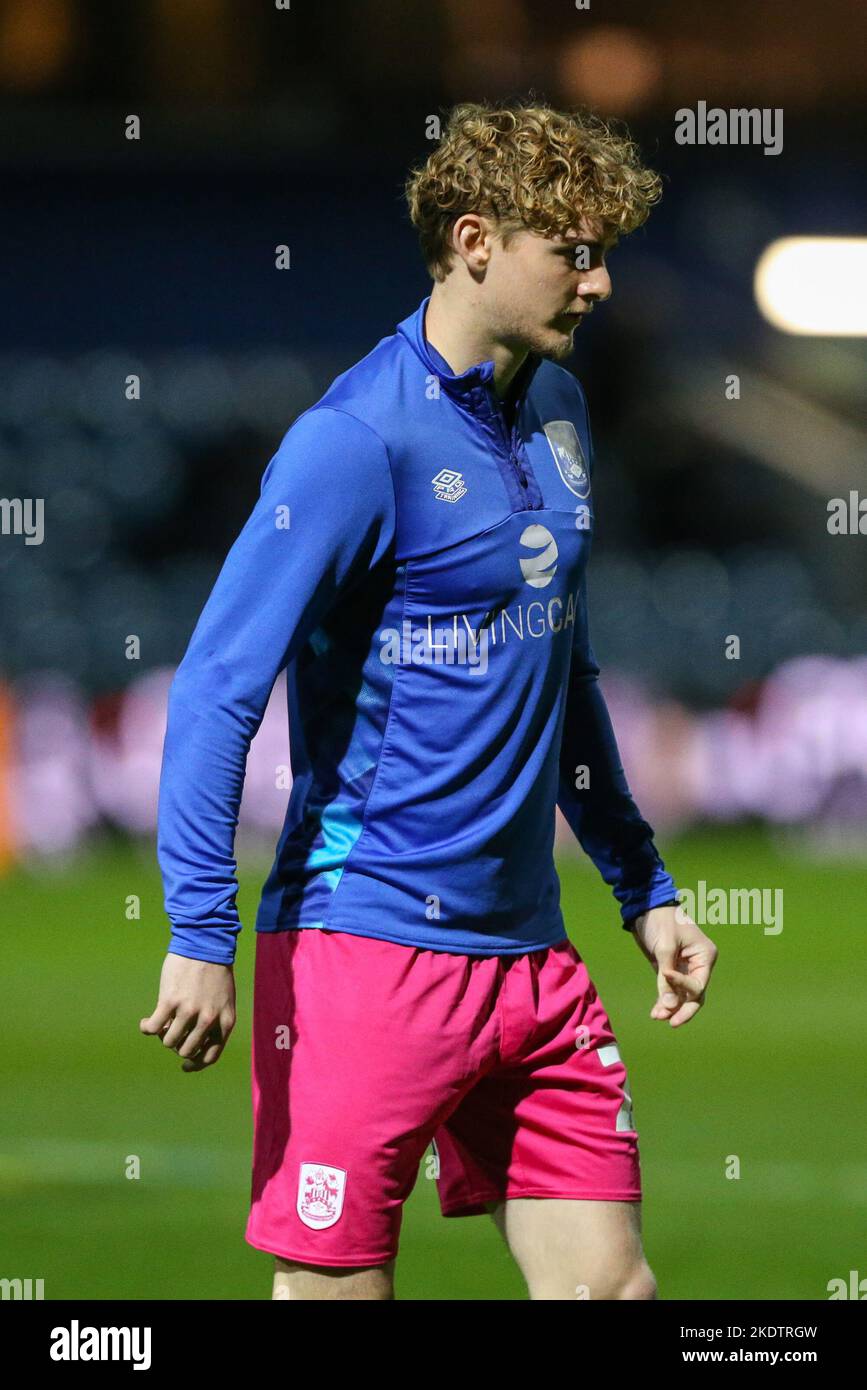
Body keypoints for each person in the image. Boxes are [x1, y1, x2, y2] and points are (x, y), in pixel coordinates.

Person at [142, 99, 718, 1301]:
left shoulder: (559, 410)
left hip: (533, 966)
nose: (602, 282)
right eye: (575, 250)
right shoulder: (351, 441)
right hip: (367, 953)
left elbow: (564, 670)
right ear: (474, 242)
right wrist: (199, 933)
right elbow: (214, 688)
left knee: (613, 1291)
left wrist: (641, 885)